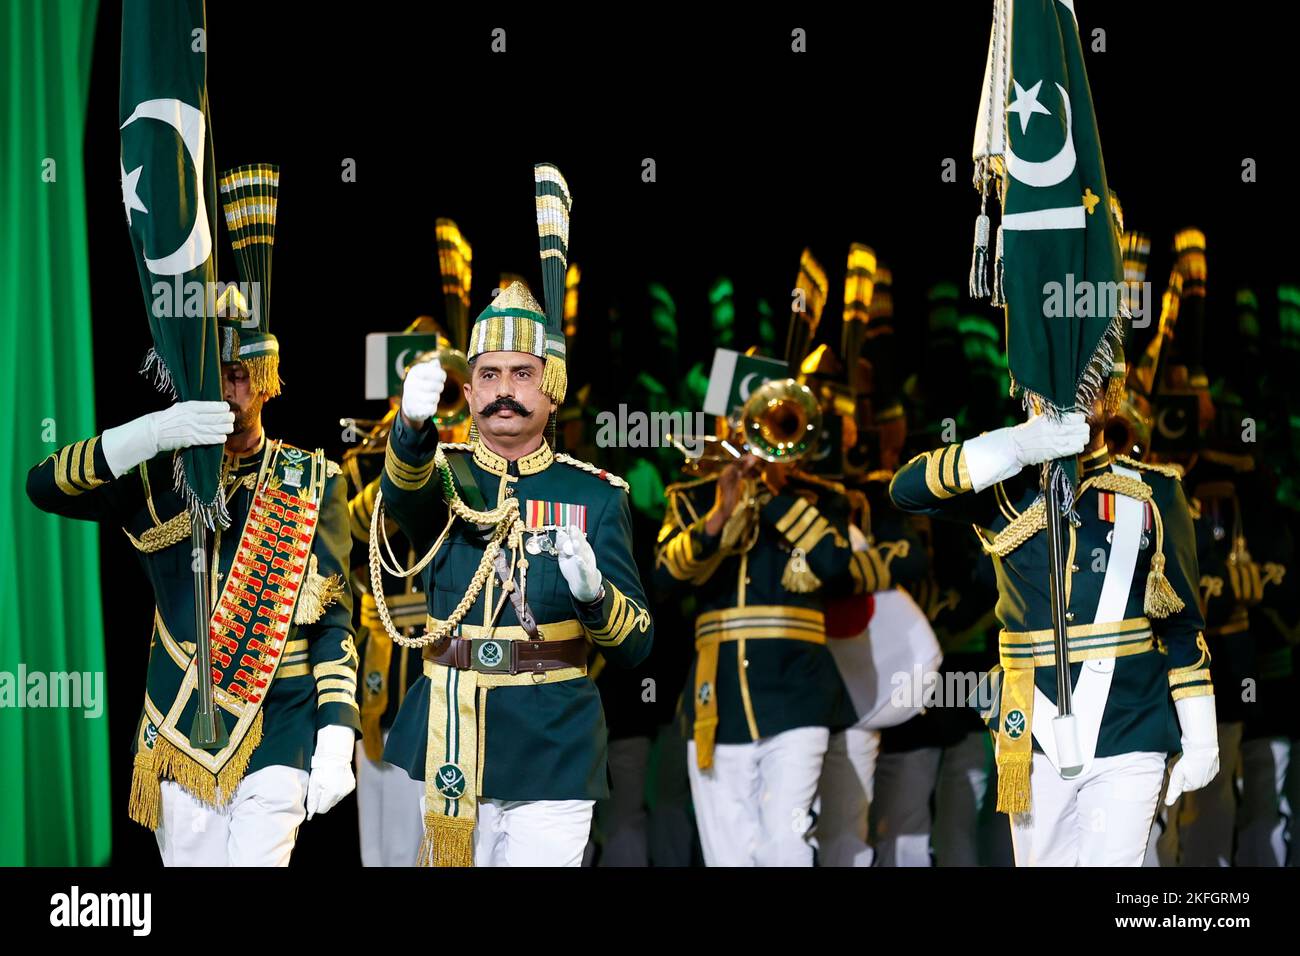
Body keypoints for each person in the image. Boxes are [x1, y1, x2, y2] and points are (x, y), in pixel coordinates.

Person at [373, 164, 653, 866]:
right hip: (450, 731)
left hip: (553, 740)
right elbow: (406, 502)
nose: (504, 391)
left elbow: (638, 645)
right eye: (488, 376)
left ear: (549, 391)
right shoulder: (444, 471)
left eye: (522, 374)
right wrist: (409, 428)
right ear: (468, 396)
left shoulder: (599, 495)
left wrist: (594, 596)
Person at [890, 354, 1219, 866]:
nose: (1074, 397)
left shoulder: (1154, 492)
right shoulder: (1005, 485)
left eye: (1089, 384)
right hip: (1034, 726)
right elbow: (906, 489)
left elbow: (1182, 627)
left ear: (1110, 392)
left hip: (1129, 720)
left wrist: (1202, 736)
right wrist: (1014, 445)